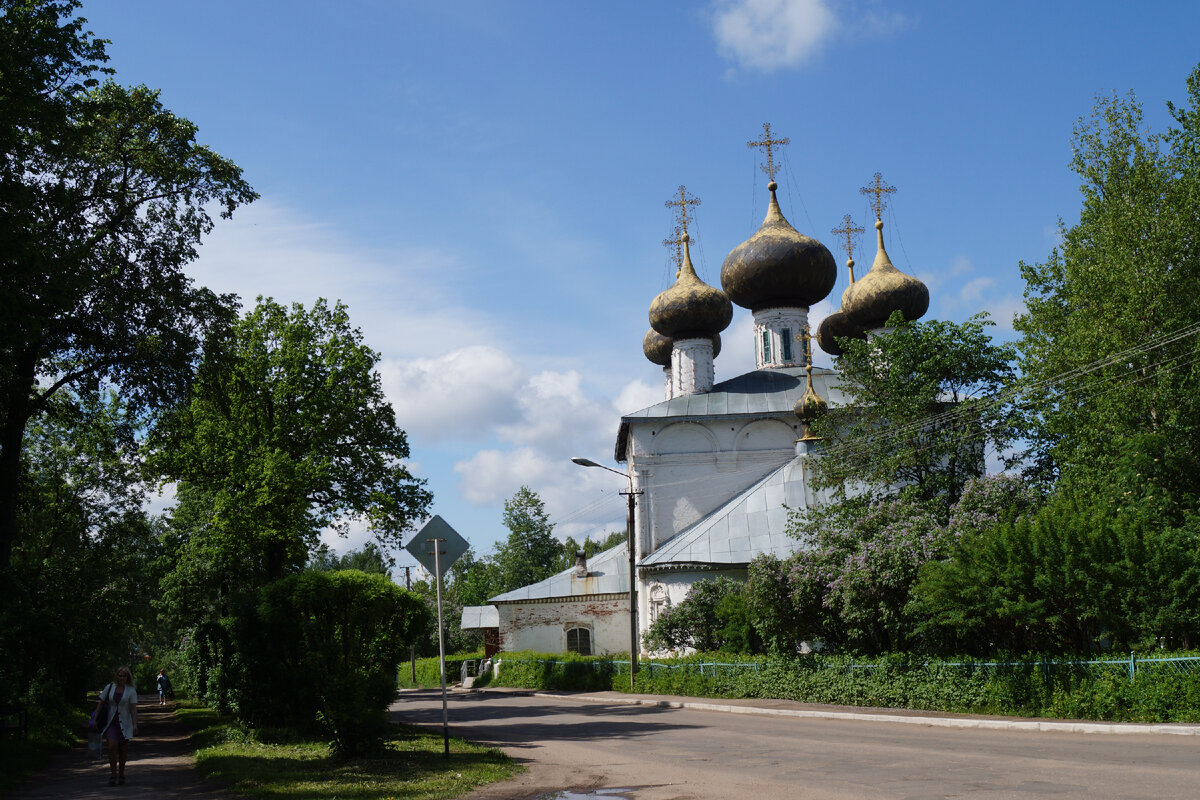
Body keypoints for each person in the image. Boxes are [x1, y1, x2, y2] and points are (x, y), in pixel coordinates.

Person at [94, 666, 138, 786]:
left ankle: (122, 773)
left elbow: (133, 709)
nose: (122, 678)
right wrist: (95, 718)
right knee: (112, 747)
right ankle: (113, 774)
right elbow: (100, 703)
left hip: (125, 723)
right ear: (116, 676)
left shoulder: (131, 690)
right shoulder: (109, 687)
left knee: (123, 750)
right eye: (120, 675)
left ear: (127, 677)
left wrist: (135, 724)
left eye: (124, 675)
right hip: (111, 723)